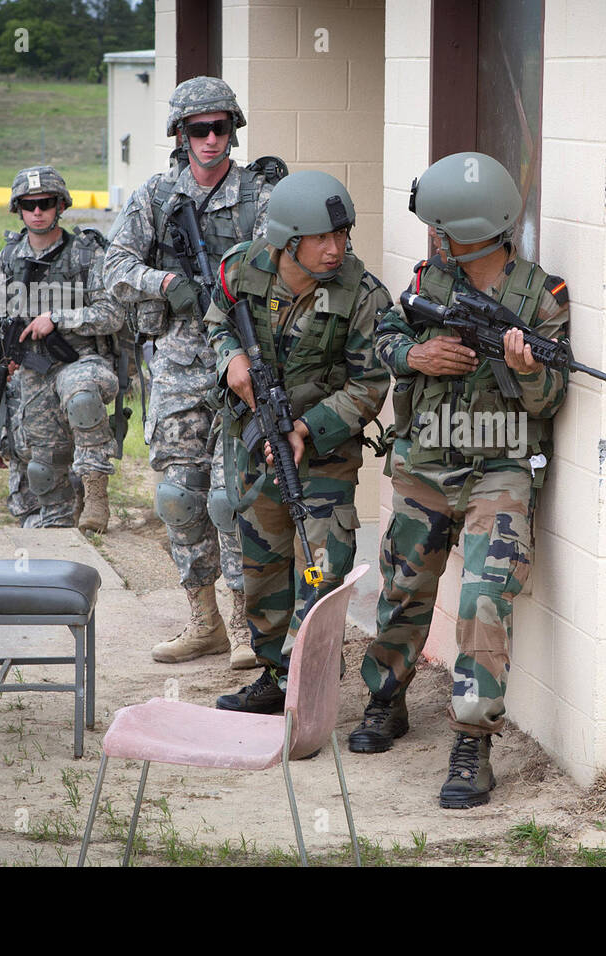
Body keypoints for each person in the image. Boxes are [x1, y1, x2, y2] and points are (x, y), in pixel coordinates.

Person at [349, 152, 571, 809]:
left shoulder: (541, 298)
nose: (433, 236)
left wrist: (527, 369)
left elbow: (551, 401)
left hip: (499, 470)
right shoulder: (429, 280)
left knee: (482, 602)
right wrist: (417, 354)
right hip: (425, 466)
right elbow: (384, 336)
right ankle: (385, 698)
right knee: (405, 586)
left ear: (470, 227)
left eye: (440, 226)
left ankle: (473, 744)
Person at [104, 75, 285, 670]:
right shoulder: (157, 196)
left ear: (233, 129)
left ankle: (241, 624)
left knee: (229, 499)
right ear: (180, 135)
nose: (211, 138)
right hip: (179, 365)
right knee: (180, 497)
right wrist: (166, 283)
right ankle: (201, 619)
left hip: (237, 358)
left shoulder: (260, 195)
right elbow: (114, 267)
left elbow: (275, 269)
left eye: (221, 127)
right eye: (198, 128)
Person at [205, 170, 390, 712]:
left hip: (324, 454)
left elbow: (370, 384)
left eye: (343, 234)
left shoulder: (362, 295)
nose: (337, 248)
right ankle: (271, 674)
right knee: (262, 563)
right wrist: (230, 359)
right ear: (288, 240)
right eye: (322, 238)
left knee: (322, 569)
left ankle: (308, 685)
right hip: (254, 442)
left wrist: (308, 429)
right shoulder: (244, 266)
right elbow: (218, 322)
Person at [0, 165, 129, 532]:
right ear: (19, 209)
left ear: (60, 205)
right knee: (41, 468)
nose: (38, 211)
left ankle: (95, 493)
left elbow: (113, 313)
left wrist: (57, 319)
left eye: (45, 203)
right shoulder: (8, 259)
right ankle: (60, 518)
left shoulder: (86, 254)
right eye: (29, 205)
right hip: (29, 367)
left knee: (81, 396)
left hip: (80, 359)